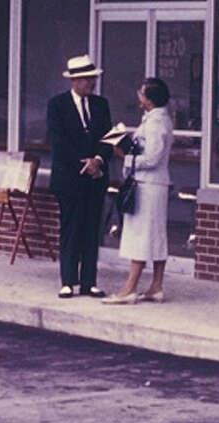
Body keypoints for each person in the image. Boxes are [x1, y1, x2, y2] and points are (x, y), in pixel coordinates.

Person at [46, 54, 113, 299]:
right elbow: (58, 142)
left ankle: (89, 282)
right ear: (75, 81)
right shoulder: (57, 105)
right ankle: (67, 281)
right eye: (87, 80)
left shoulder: (100, 105)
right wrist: (83, 163)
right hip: (70, 178)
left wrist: (98, 160)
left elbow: (109, 138)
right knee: (70, 228)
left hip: (95, 178)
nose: (91, 84)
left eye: (93, 79)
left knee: (91, 228)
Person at [102, 76, 173, 304]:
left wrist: (127, 156)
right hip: (153, 184)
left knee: (141, 237)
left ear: (150, 99)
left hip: (148, 184)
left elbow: (152, 158)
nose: (139, 97)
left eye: (142, 94)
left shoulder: (155, 124)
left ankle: (130, 288)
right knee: (156, 236)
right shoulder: (158, 120)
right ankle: (156, 286)